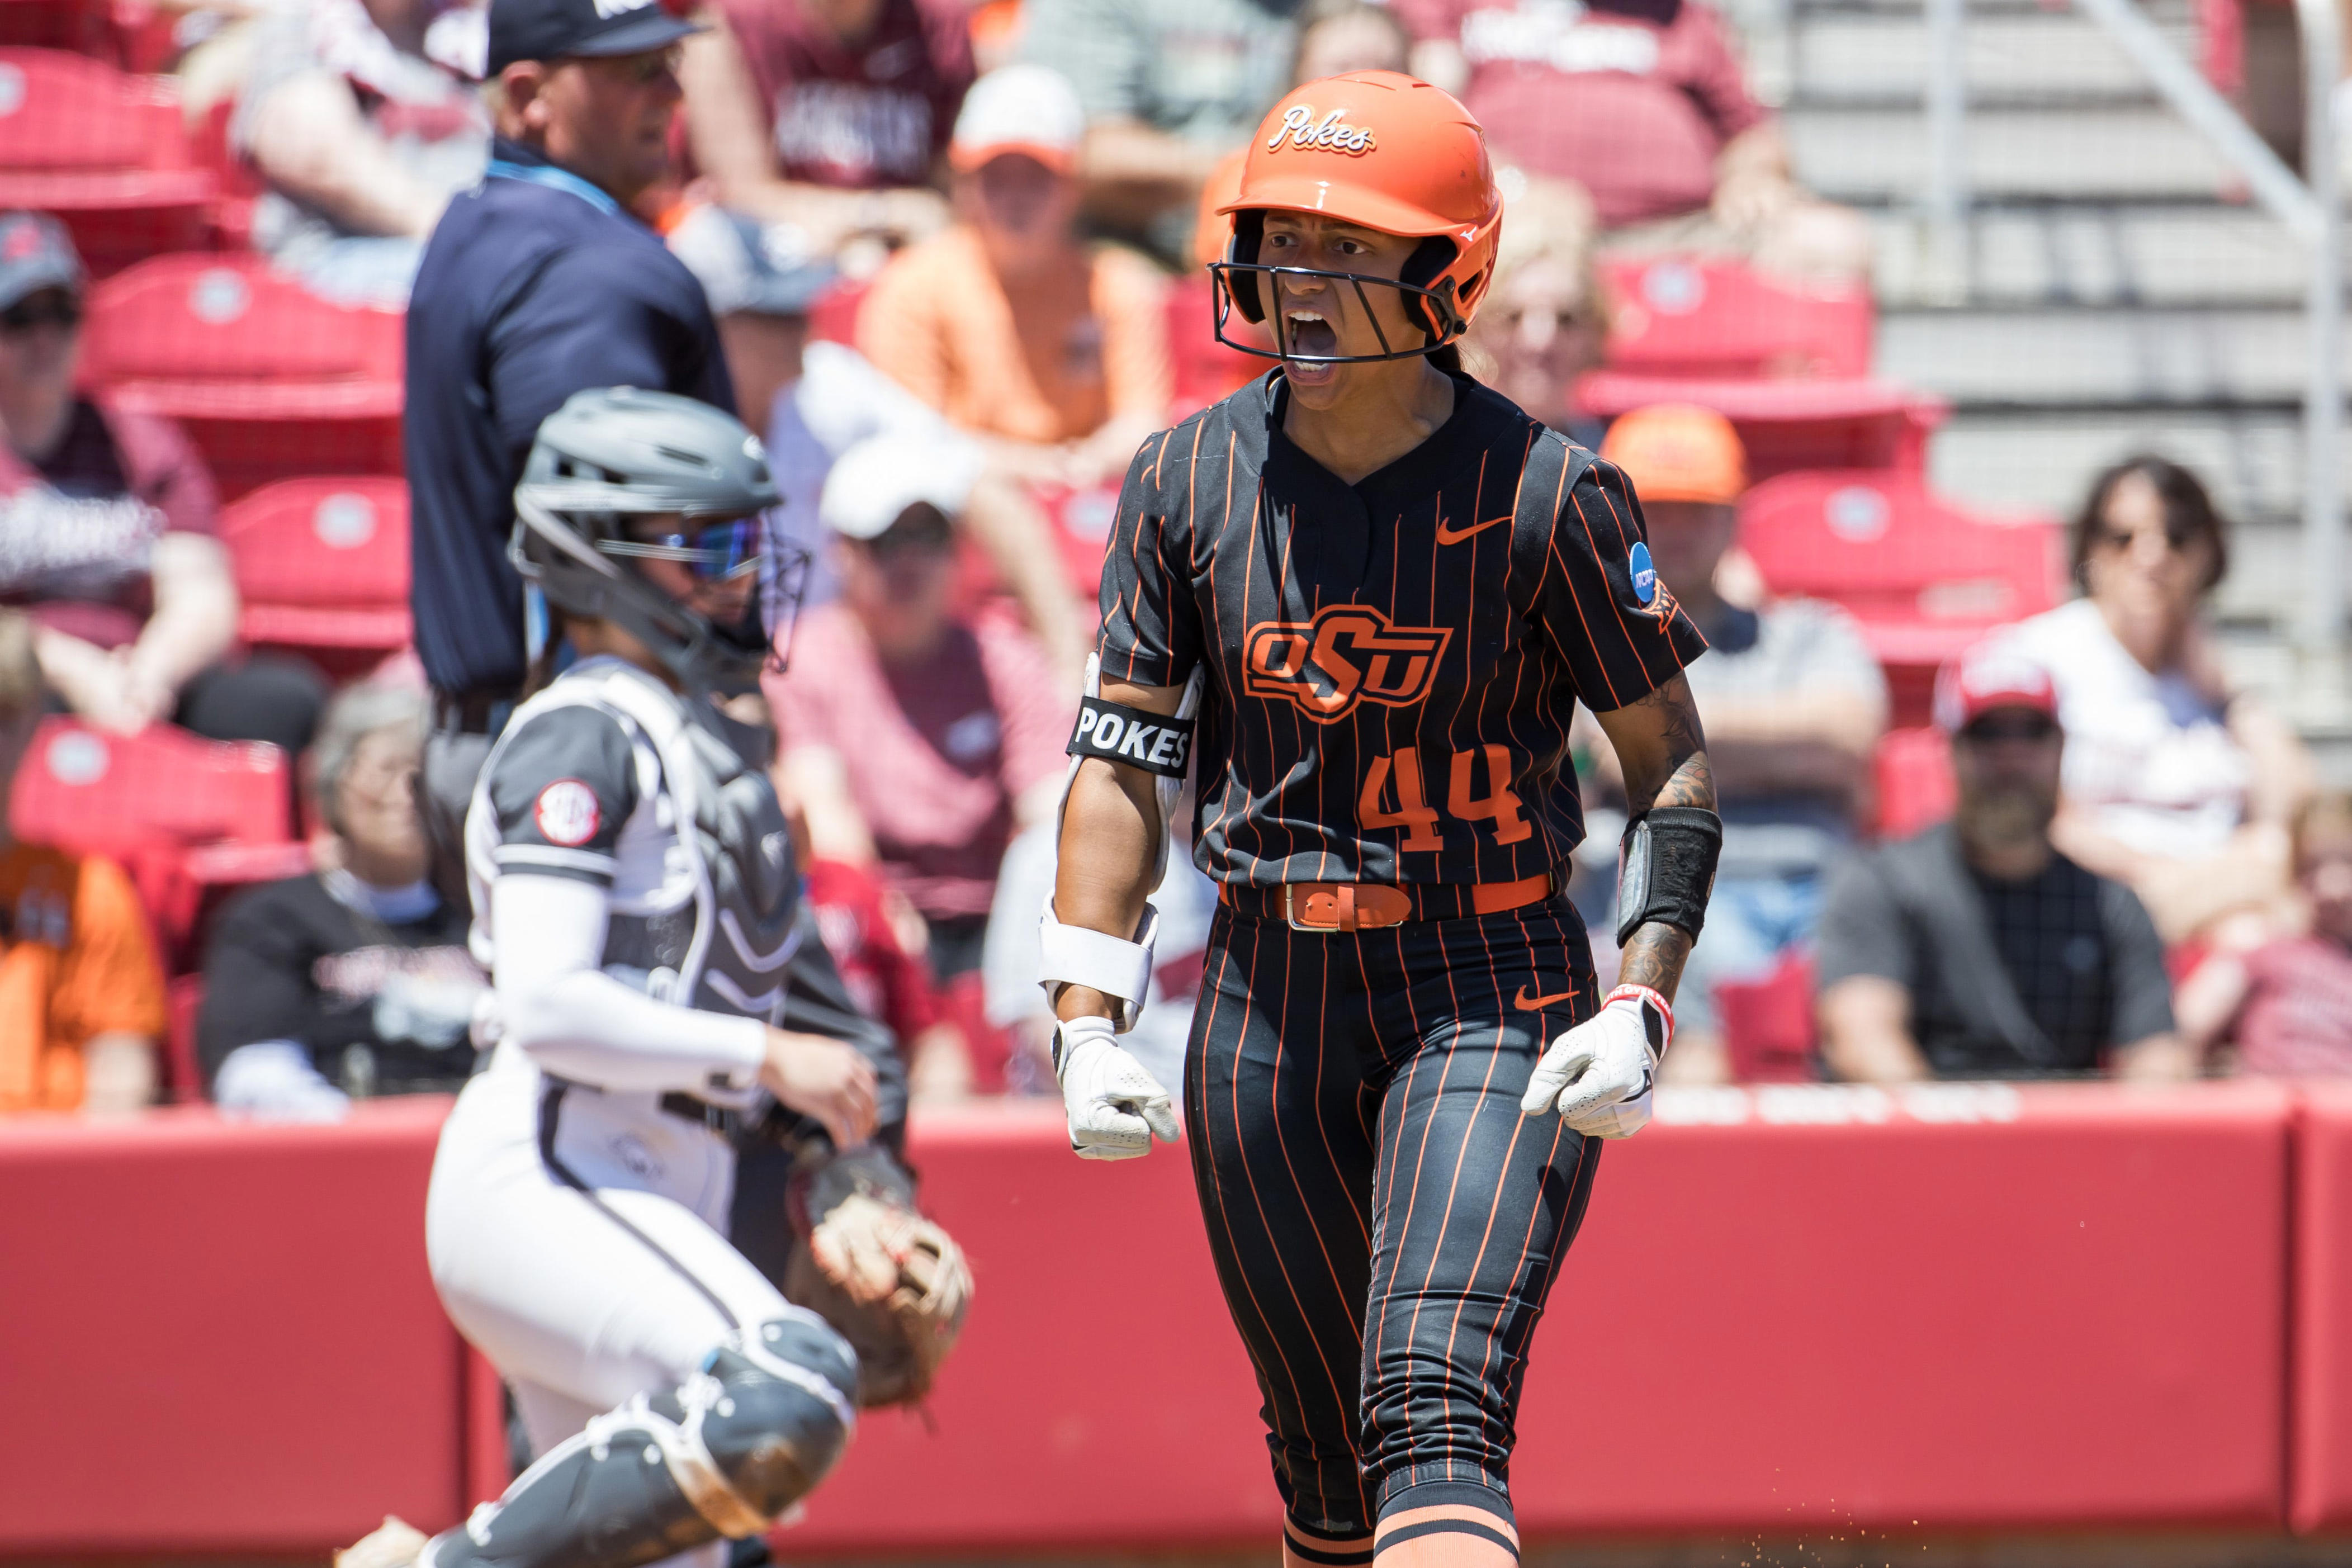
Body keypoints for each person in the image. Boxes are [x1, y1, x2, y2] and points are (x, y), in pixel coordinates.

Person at [1044, 73, 1716, 1567]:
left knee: (1429, 1402)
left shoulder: (1549, 494)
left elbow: (1666, 766)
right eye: (1279, 239)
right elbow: (1119, 759)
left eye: (1343, 248)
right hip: (1262, 999)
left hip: (1487, 981)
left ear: (1442, 275)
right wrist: (1080, 1013)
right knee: (1320, 1470)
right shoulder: (1176, 478)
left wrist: (1640, 995)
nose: (1296, 280)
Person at [337, 389, 967, 1568]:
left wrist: (849, 1160)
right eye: (710, 543)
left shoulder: (694, 735)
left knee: (701, 1545)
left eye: (745, 542)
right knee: (785, 1384)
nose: (743, 574)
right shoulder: (581, 730)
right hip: (549, 1166)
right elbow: (546, 1003)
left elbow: (740, 990)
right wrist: (768, 1056)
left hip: (666, 1167)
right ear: (602, 554)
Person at [404, 0, 730, 888]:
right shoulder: (579, 268)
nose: (670, 92)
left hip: (518, 742)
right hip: (587, 756)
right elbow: (601, 532)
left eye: (668, 62)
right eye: (634, 71)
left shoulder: (482, 223)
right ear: (528, 94)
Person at [666, 201, 1091, 681]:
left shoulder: (829, 386)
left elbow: (979, 482)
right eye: (774, 316)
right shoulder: (663, 435)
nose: (803, 328)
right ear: (708, 327)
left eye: (800, 308)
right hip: (716, 685)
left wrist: (1067, 666)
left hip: (842, 685)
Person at [1591, 405, 1882, 1082]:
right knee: (1685, 969)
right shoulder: (1593, 639)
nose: (1678, 530)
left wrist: (1674, 737)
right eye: (1656, 510)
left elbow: (1850, 735)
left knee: (1879, 971)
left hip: (1824, 886)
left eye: (1699, 508)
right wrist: (1792, 748)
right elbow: (1607, 752)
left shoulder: (1808, 631)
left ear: (1733, 517)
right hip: (1681, 885)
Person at [0, 212, 326, 753]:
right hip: (22, 681)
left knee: (285, 700)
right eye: (18, 318)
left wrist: (150, 675)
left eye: (60, 314)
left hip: (136, 674)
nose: (44, 338)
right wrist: (71, 669)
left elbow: (201, 590)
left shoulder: (135, 438)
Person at [769, 436, 1071, 988]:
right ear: (842, 551)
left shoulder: (1004, 660)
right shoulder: (801, 659)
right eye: (886, 540)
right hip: (862, 924)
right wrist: (893, 941)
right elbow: (827, 819)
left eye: (927, 536)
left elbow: (1049, 815)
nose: (908, 561)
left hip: (998, 923)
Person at [1815, 644, 2187, 1083]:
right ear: (1949, 750)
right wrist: (1963, 1145)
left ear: (2061, 748)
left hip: (2060, 1144)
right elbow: (1862, 1043)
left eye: (2031, 732)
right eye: (1987, 733)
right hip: (1922, 1137)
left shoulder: (2110, 906)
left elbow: (2159, 1065)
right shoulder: (1883, 881)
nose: (2011, 757)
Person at [1995, 456, 2314, 944]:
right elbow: (2035, 815)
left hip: (2225, 911)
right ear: (2088, 549)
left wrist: (2233, 698)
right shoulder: (2041, 657)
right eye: (2122, 537)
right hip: (2095, 904)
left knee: (2258, 924)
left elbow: (2301, 814)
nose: (2151, 555)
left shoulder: (2211, 673)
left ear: (2208, 554)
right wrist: (2166, 877)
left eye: (2176, 536)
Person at [1394, 0, 1870, 286]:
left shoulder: (1680, 15)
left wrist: (1752, 175)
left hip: (1684, 233)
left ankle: (1788, 439)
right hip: (1512, 226)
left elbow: (1753, 133)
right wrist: (1507, 185)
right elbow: (1425, 110)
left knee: (1831, 244)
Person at [855, 65, 1173, 490]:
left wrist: (1080, 466)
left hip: (1090, 508)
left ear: (1072, 187)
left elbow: (1142, 423)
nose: (1015, 198)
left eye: (1036, 177)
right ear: (961, 187)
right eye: (995, 179)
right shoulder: (912, 287)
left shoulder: (1117, 286)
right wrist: (1044, 468)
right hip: (960, 511)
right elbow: (911, 441)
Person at [198, 682, 484, 1121]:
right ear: (335, 780)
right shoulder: (272, 920)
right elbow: (254, 1072)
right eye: (386, 769)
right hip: (332, 1151)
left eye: (422, 772)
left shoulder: (482, 918)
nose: (406, 793)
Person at [0, 609, 168, 1117]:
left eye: (1, 716)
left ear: (33, 725)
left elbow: (122, 1078)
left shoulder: (89, 889)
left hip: (46, 1172)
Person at [229, 0, 489, 305]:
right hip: (340, 262)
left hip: (457, 248)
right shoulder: (304, 26)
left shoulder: (458, 35)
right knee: (504, 282)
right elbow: (317, 158)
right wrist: (454, 230)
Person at [675, 0, 969, 254]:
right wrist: (880, 213)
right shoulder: (731, 21)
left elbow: (950, 194)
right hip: (772, 273)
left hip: (902, 269)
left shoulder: (942, 27)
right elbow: (739, 190)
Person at [1020, 0, 1307, 259]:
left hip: (1270, 238)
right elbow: (1085, 155)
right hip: (1128, 250)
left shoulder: (1302, 9)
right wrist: (1254, 169)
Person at [2176, 792, 2352, 1075]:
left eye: (2347, 863)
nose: (2330, 887)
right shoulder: (2261, 947)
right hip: (2268, 1110)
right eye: (2312, 867)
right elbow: (2181, 1036)